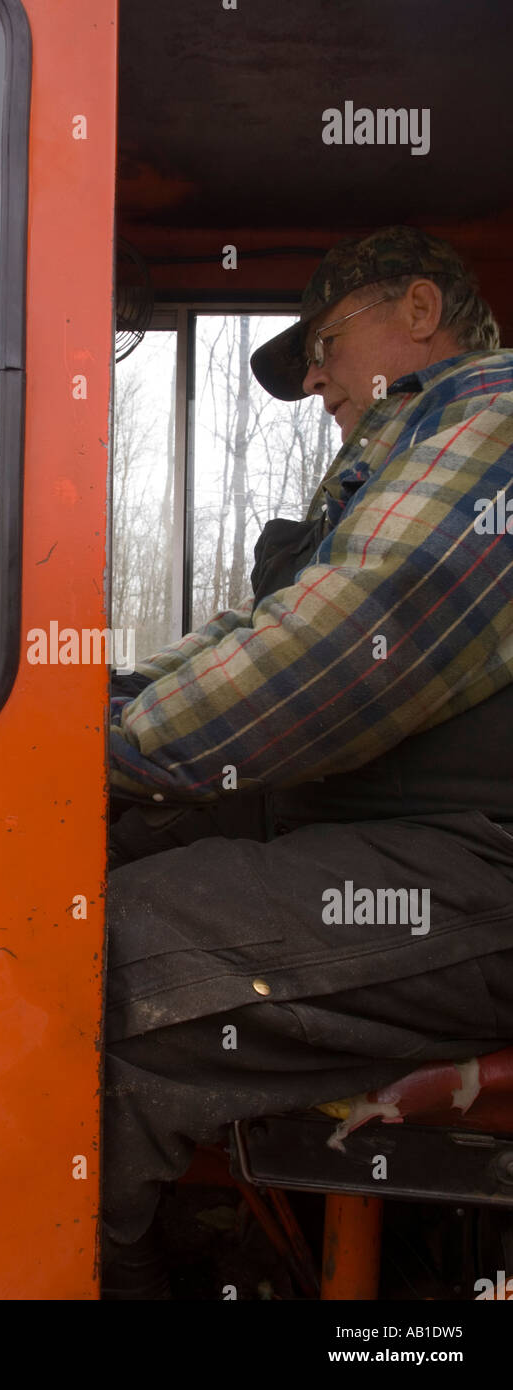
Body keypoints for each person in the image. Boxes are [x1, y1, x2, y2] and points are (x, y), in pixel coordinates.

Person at [102, 226, 513, 1298]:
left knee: (110, 955)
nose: (317, 378)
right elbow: (265, 628)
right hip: (418, 837)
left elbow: (339, 648)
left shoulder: (492, 425)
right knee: (92, 854)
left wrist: (117, 748)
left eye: (325, 343)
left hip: (481, 868)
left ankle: (97, 1269)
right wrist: (96, 711)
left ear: (419, 312)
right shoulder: (400, 460)